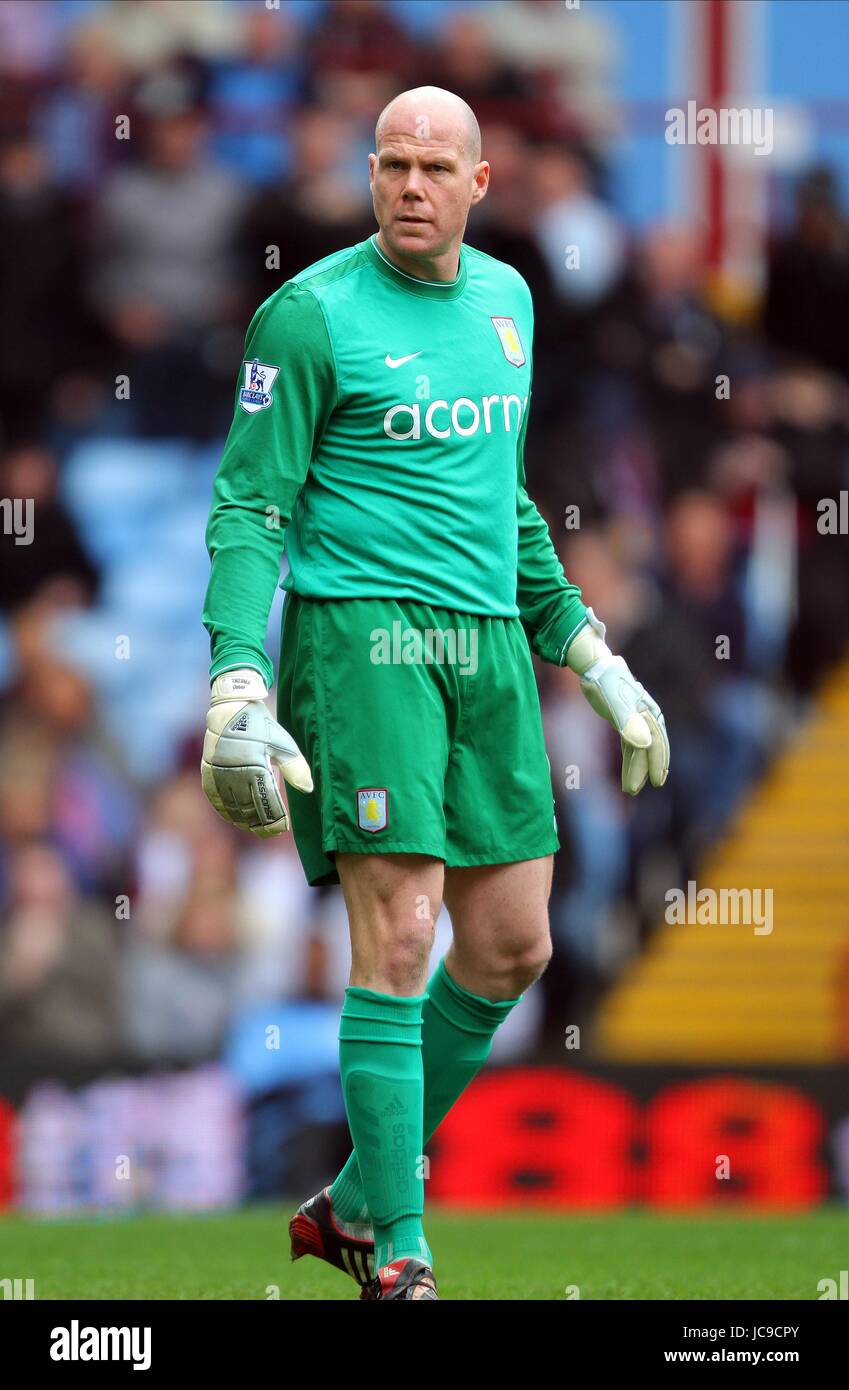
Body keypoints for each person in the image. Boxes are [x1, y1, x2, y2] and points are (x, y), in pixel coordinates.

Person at [201, 86, 668, 1301]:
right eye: (391, 164)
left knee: (512, 949)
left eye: (433, 167)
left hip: (488, 653)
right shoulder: (306, 317)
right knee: (402, 934)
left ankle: (356, 1198)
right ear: (370, 174)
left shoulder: (510, 305)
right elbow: (251, 503)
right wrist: (234, 670)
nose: (411, 186)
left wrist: (593, 655)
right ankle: (401, 1250)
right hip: (362, 643)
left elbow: (503, 501)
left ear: (479, 184)